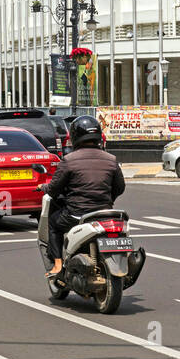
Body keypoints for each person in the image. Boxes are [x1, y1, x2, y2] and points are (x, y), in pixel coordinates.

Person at [38, 115, 124, 281]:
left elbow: (54, 190)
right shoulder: (111, 159)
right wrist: (107, 200)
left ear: (75, 137)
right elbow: (120, 187)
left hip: (77, 214)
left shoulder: (69, 161)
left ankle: (57, 264)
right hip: (105, 214)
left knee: (54, 224)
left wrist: (43, 187)